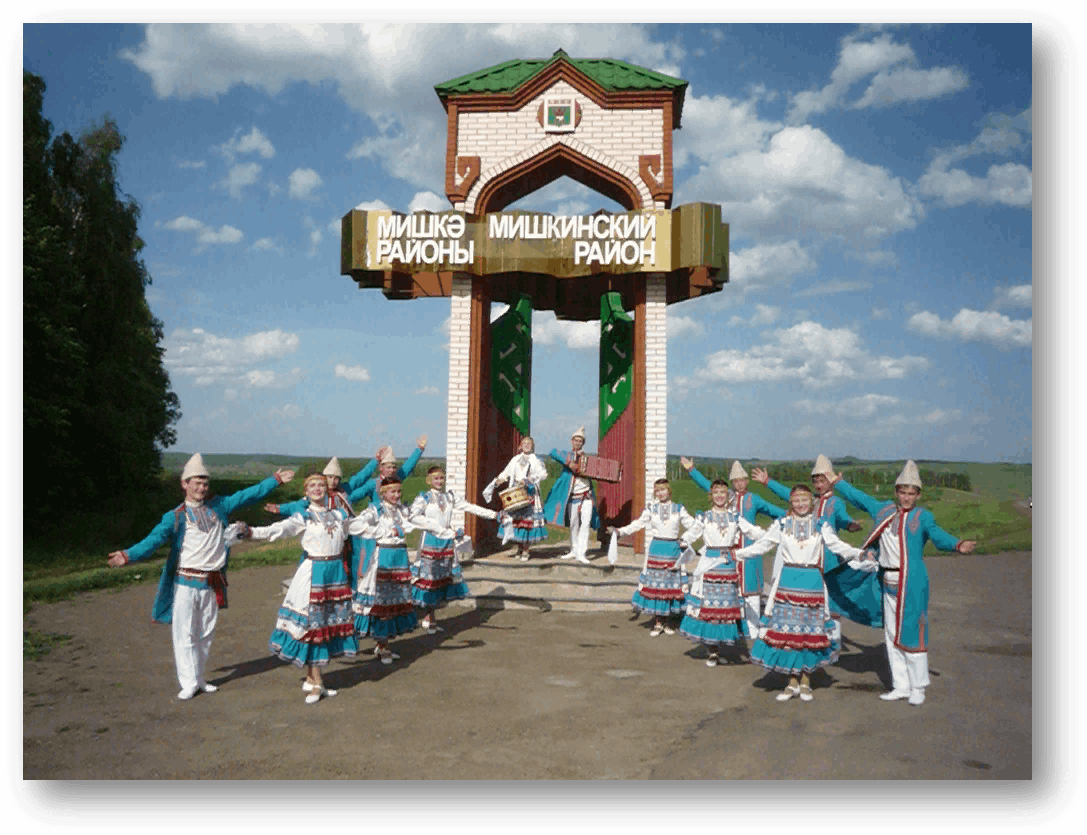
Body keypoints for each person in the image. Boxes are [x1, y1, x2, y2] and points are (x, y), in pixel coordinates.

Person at [106, 454, 295, 700]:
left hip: (212, 582)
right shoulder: (175, 516)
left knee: (206, 632)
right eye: (196, 483)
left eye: (205, 483)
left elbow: (250, 494)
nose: (201, 488)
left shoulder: (220, 506)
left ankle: (199, 678)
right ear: (185, 484)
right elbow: (153, 541)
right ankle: (188, 682)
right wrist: (128, 555)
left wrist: (276, 479)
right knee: (184, 633)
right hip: (186, 583)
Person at [831, 461, 977, 706]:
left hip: (911, 582)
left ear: (918, 495)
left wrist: (956, 544)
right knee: (891, 633)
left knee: (913, 630)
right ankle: (900, 685)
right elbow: (859, 498)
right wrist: (838, 483)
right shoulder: (884, 511)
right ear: (896, 492)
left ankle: (918, 686)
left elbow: (937, 534)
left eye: (912, 493)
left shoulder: (923, 516)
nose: (907, 498)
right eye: (903, 492)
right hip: (886, 580)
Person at [243, 473, 371, 704]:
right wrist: (251, 532)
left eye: (321, 485)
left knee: (327, 627)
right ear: (306, 491)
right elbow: (279, 529)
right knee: (314, 627)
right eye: (312, 485)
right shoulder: (305, 516)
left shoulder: (338, 514)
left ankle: (314, 680)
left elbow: (361, 527)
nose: (317, 488)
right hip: (314, 575)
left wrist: (385, 523)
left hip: (335, 574)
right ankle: (317, 683)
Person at [733, 484, 865, 702]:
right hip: (788, 584)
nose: (801, 504)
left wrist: (859, 554)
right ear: (791, 503)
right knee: (789, 635)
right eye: (796, 500)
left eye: (805, 500)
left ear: (811, 502)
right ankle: (791, 682)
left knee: (808, 635)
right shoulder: (783, 524)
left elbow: (836, 545)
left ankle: (806, 681)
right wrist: (738, 554)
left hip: (812, 583)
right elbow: (763, 544)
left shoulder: (820, 525)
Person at [752, 455, 863, 653]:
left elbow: (844, 520)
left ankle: (831, 645)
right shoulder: (810, 500)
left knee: (830, 607)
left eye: (823, 481)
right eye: (816, 481)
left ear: (831, 481)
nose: (819, 485)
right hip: (804, 558)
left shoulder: (836, 502)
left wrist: (851, 525)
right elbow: (789, 494)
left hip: (828, 561)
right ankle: (805, 642)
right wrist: (768, 482)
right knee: (803, 606)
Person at [680, 458, 786, 641]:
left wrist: (787, 522)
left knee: (750, 592)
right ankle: (726, 631)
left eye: (742, 480)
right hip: (721, 555)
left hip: (748, 551)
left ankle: (752, 633)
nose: (739, 483)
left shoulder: (754, 499)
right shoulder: (725, 496)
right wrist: (692, 470)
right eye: (735, 480)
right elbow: (709, 485)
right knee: (725, 594)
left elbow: (776, 511)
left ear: (747, 481)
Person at [352, 476, 445, 664]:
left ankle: (382, 645)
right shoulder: (375, 510)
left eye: (398, 491)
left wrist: (443, 530)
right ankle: (378, 645)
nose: (396, 495)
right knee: (380, 603)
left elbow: (417, 522)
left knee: (393, 603)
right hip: (383, 559)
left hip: (400, 559)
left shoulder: (403, 510)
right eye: (392, 491)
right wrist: (379, 532)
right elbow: (359, 523)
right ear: (383, 493)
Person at [678, 480, 767, 666]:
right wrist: (684, 541)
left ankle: (726, 644)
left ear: (728, 496)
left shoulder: (735, 517)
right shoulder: (704, 517)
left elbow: (752, 531)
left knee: (726, 607)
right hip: (709, 563)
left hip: (727, 564)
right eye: (716, 492)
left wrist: (772, 535)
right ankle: (713, 650)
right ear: (711, 495)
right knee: (711, 607)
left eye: (723, 492)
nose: (719, 496)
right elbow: (692, 533)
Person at [264, 449, 388, 582]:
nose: (333, 481)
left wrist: (375, 461)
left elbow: (361, 476)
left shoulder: (344, 490)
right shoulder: (318, 494)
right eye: (330, 477)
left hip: (344, 535)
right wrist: (280, 508)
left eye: (336, 478)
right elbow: (299, 504)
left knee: (348, 562)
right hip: (324, 536)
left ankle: (346, 589)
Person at [408, 467, 499, 632]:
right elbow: (413, 516)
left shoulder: (449, 497)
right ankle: (428, 617)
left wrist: (494, 515)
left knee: (442, 580)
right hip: (430, 541)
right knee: (428, 581)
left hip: (447, 543)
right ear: (429, 480)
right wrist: (434, 526)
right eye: (435, 479)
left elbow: (470, 507)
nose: (439, 482)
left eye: (441, 478)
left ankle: (432, 619)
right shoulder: (424, 498)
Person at [607, 478, 699, 637]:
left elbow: (694, 525)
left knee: (670, 586)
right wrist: (620, 531)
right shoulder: (651, 509)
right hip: (657, 550)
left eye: (663, 489)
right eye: (657, 490)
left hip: (673, 550)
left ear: (669, 490)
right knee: (656, 587)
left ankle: (669, 621)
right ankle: (658, 622)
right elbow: (638, 524)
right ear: (654, 493)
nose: (661, 493)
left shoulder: (679, 509)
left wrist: (686, 539)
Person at [345, 437, 428, 588]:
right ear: (381, 468)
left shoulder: (397, 478)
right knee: (371, 562)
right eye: (388, 467)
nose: (392, 470)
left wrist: (419, 450)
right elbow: (353, 497)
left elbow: (408, 467)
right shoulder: (373, 483)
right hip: (377, 521)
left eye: (394, 467)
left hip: (395, 521)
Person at [485, 436, 548, 561]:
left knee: (527, 522)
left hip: (529, 493)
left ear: (532, 446)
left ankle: (526, 550)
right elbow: (506, 472)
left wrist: (529, 480)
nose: (526, 445)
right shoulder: (515, 459)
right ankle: (519, 548)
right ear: (520, 445)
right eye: (524, 443)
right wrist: (499, 480)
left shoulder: (535, 460)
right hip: (516, 495)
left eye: (529, 443)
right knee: (516, 522)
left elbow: (543, 474)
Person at [543, 427, 600, 564]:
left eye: (580, 440)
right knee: (574, 524)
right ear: (572, 441)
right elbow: (552, 452)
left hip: (586, 496)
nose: (578, 442)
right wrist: (569, 463)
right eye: (576, 440)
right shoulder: (566, 455)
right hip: (573, 497)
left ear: (583, 443)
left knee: (585, 524)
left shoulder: (588, 458)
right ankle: (574, 550)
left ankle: (582, 552)